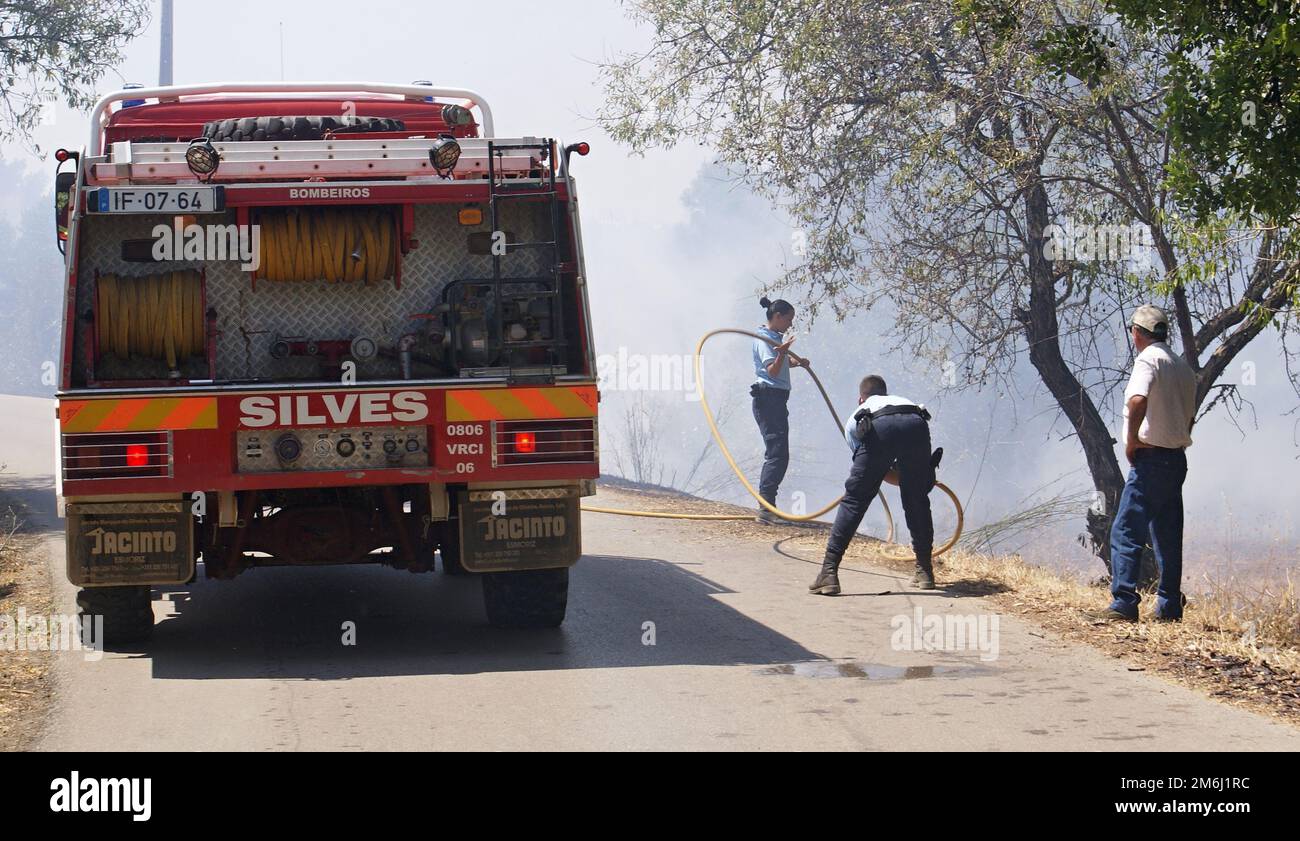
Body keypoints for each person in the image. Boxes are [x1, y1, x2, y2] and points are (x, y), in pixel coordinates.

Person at [1089, 305, 1197, 622]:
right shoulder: (1182, 366)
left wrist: (1132, 440)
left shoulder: (1148, 359)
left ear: (1137, 332)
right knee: (1167, 535)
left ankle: (1124, 603)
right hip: (1176, 459)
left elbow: (1138, 399)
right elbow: (1188, 417)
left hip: (1150, 460)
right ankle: (1169, 607)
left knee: (1125, 531)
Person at [809, 375, 938, 595]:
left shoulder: (858, 416)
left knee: (855, 500)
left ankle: (828, 572)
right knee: (917, 498)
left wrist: (894, 474)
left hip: (879, 427)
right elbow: (895, 474)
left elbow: (874, 472)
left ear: (861, 399)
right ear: (885, 394)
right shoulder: (903, 401)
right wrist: (912, 481)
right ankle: (925, 571)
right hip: (916, 424)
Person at [751, 296, 808, 524]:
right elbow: (772, 371)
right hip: (768, 399)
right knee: (777, 454)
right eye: (788, 319)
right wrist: (783, 354)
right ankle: (766, 509)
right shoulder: (764, 339)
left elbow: (780, 365)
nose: (790, 324)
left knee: (780, 454)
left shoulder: (775, 338)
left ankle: (768, 507)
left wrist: (797, 362)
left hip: (776, 400)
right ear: (777, 316)